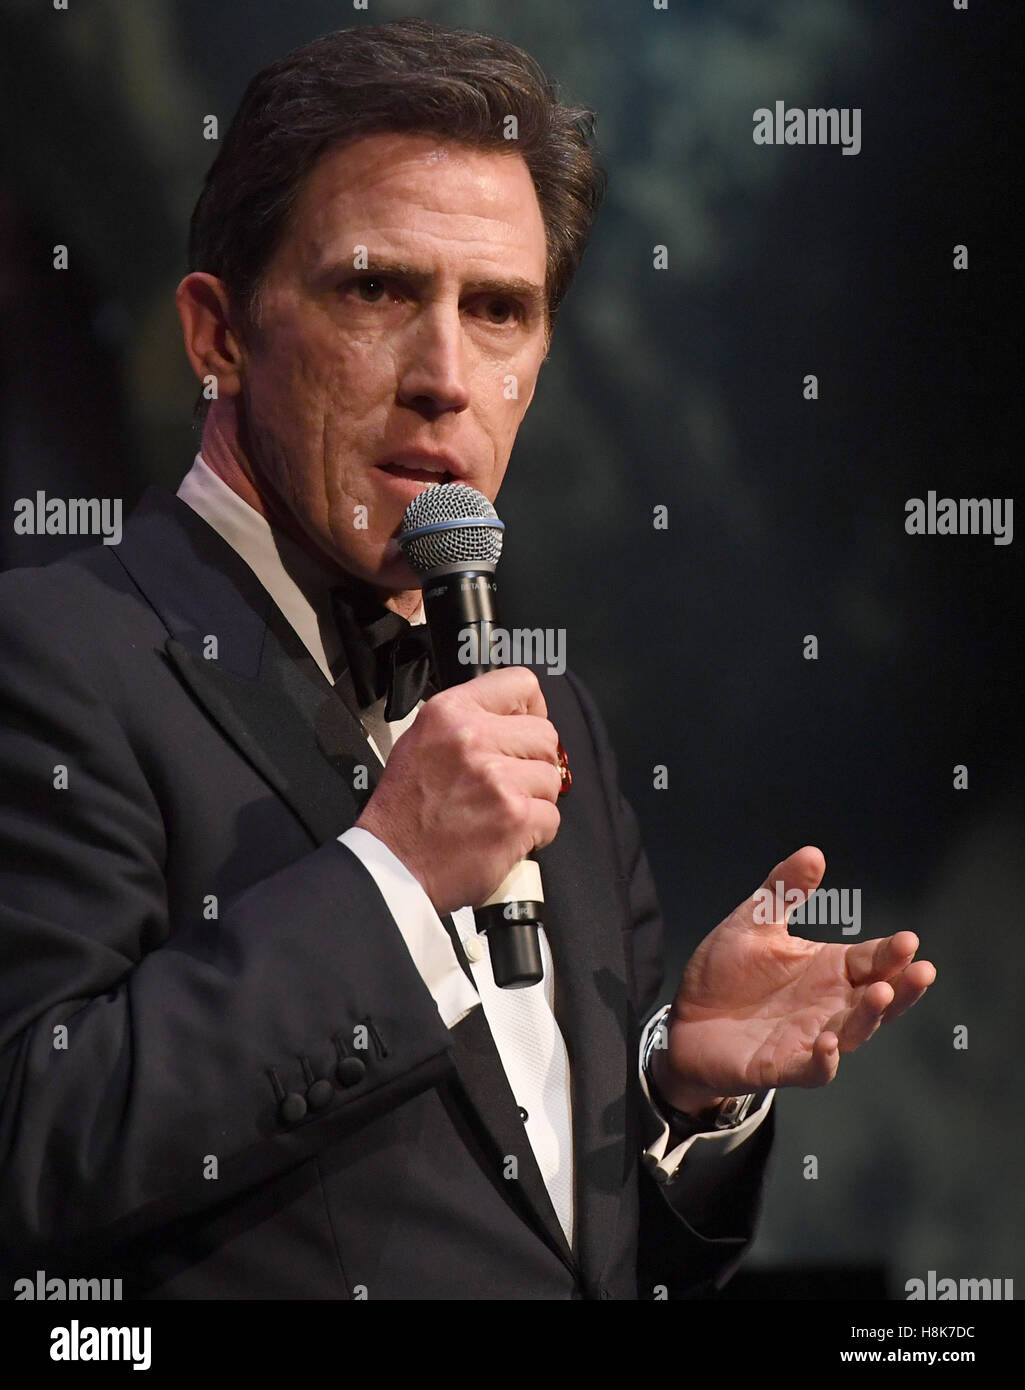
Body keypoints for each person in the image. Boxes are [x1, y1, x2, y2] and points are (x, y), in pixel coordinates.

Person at [0, 19, 935, 1300]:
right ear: (216, 334)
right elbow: (33, 1150)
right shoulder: (53, 657)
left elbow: (570, 1246)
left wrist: (673, 1091)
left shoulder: (552, 721)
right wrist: (390, 880)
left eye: (498, 310)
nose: (445, 376)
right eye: (378, 289)